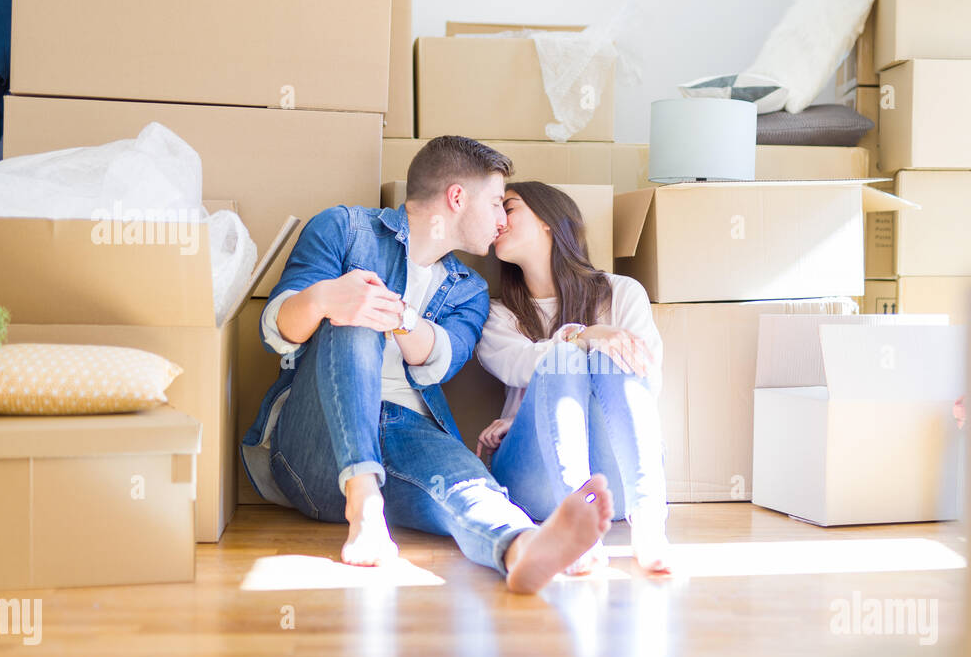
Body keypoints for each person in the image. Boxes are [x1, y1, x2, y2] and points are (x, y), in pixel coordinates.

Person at [240, 137, 613, 594]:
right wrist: (325, 299)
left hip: (406, 432)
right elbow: (275, 330)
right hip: (314, 447)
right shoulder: (344, 228)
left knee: (469, 488)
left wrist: (399, 315)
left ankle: (524, 549)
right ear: (457, 197)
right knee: (357, 309)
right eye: (498, 202)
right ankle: (362, 503)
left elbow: (439, 360)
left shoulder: (469, 290)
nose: (501, 219)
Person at [474, 181, 670, 574]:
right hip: (536, 477)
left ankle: (649, 521)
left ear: (547, 221)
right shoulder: (496, 313)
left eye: (508, 207)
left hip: (618, 472)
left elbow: (645, 383)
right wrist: (582, 336)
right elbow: (520, 364)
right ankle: (575, 526)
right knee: (565, 356)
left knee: (615, 354)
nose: (497, 220)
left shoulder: (622, 293)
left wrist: (594, 342)